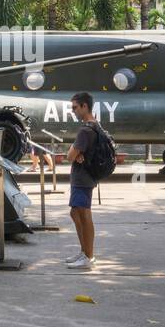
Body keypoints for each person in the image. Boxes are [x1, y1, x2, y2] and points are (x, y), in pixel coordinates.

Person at [64, 92, 100, 270]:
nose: (73, 111)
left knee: (84, 214)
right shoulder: (94, 126)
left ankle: (88, 256)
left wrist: (74, 152)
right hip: (85, 177)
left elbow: (70, 156)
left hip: (82, 178)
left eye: (75, 107)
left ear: (85, 106)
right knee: (76, 213)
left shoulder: (86, 130)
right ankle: (84, 252)